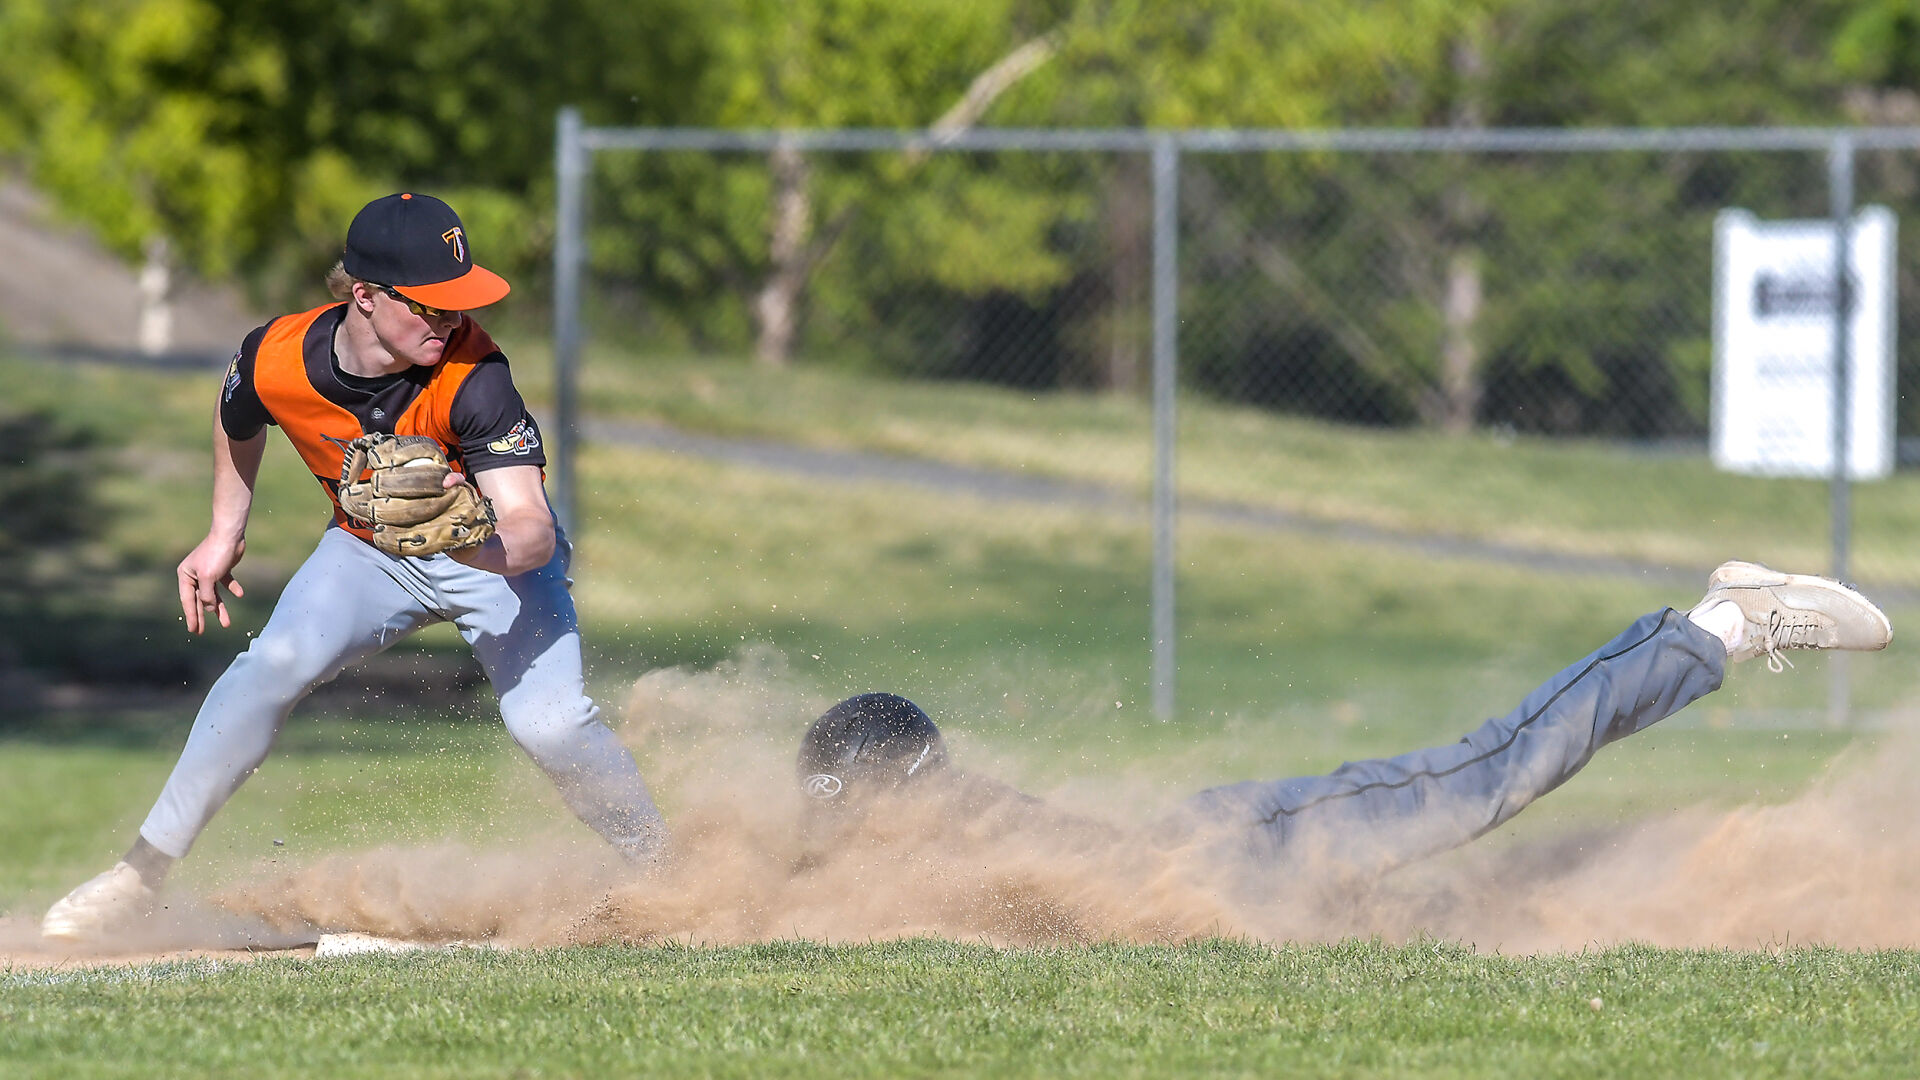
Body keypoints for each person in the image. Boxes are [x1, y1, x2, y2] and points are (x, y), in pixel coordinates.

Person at [42, 193, 667, 942]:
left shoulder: (476, 375)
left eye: (459, 303)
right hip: (368, 552)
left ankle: (669, 876)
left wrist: (466, 542)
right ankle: (138, 877)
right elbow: (238, 413)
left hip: (492, 559)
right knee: (268, 667)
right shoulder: (276, 354)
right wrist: (223, 532)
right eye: (430, 305)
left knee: (551, 725)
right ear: (365, 296)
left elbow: (531, 529)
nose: (450, 320)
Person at [794, 561, 1891, 884]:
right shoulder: (912, 857)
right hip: (1232, 852)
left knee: (1493, 771)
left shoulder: (966, 833)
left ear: (908, 783)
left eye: (861, 813)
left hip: (1249, 842)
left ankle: (1721, 624)